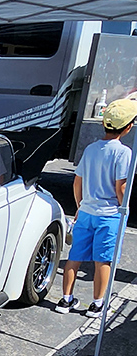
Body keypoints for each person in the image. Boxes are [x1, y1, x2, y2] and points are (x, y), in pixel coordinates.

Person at [55, 97, 136, 317]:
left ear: (103, 123)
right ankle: (97, 304)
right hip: (109, 215)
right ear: (128, 127)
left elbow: (77, 182)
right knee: (103, 260)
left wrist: (80, 205)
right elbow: (121, 187)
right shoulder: (124, 153)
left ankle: (65, 300)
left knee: (74, 257)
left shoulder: (90, 149)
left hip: (86, 212)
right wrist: (125, 208)